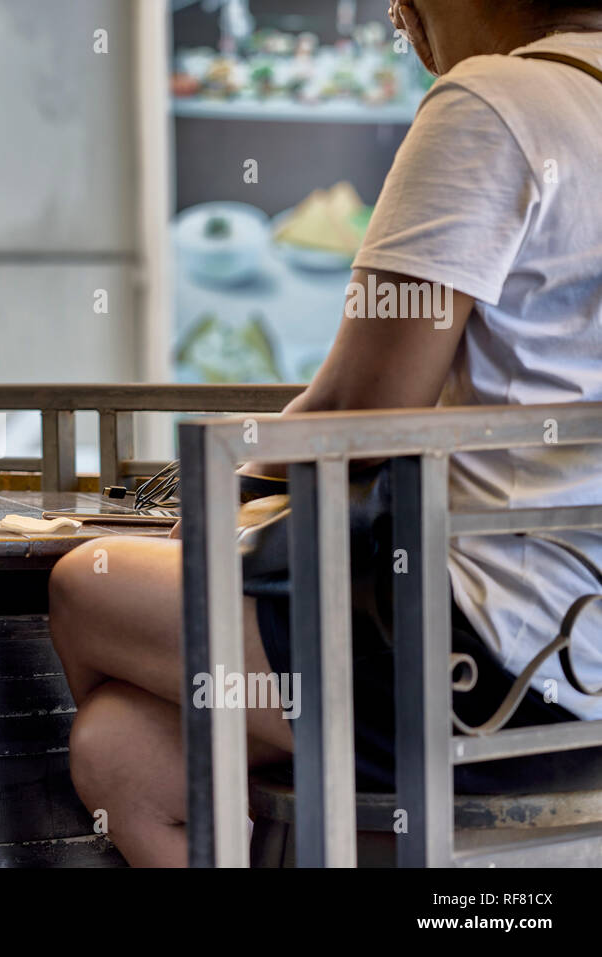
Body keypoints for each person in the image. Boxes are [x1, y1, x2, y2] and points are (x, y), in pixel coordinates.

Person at [49, 0, 602, 867]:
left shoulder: (491, 100)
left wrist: (210, 493)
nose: (400, 20)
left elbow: (359, 414)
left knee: (88, 581)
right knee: (122, 751)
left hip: (480, 664)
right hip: (581, 667)